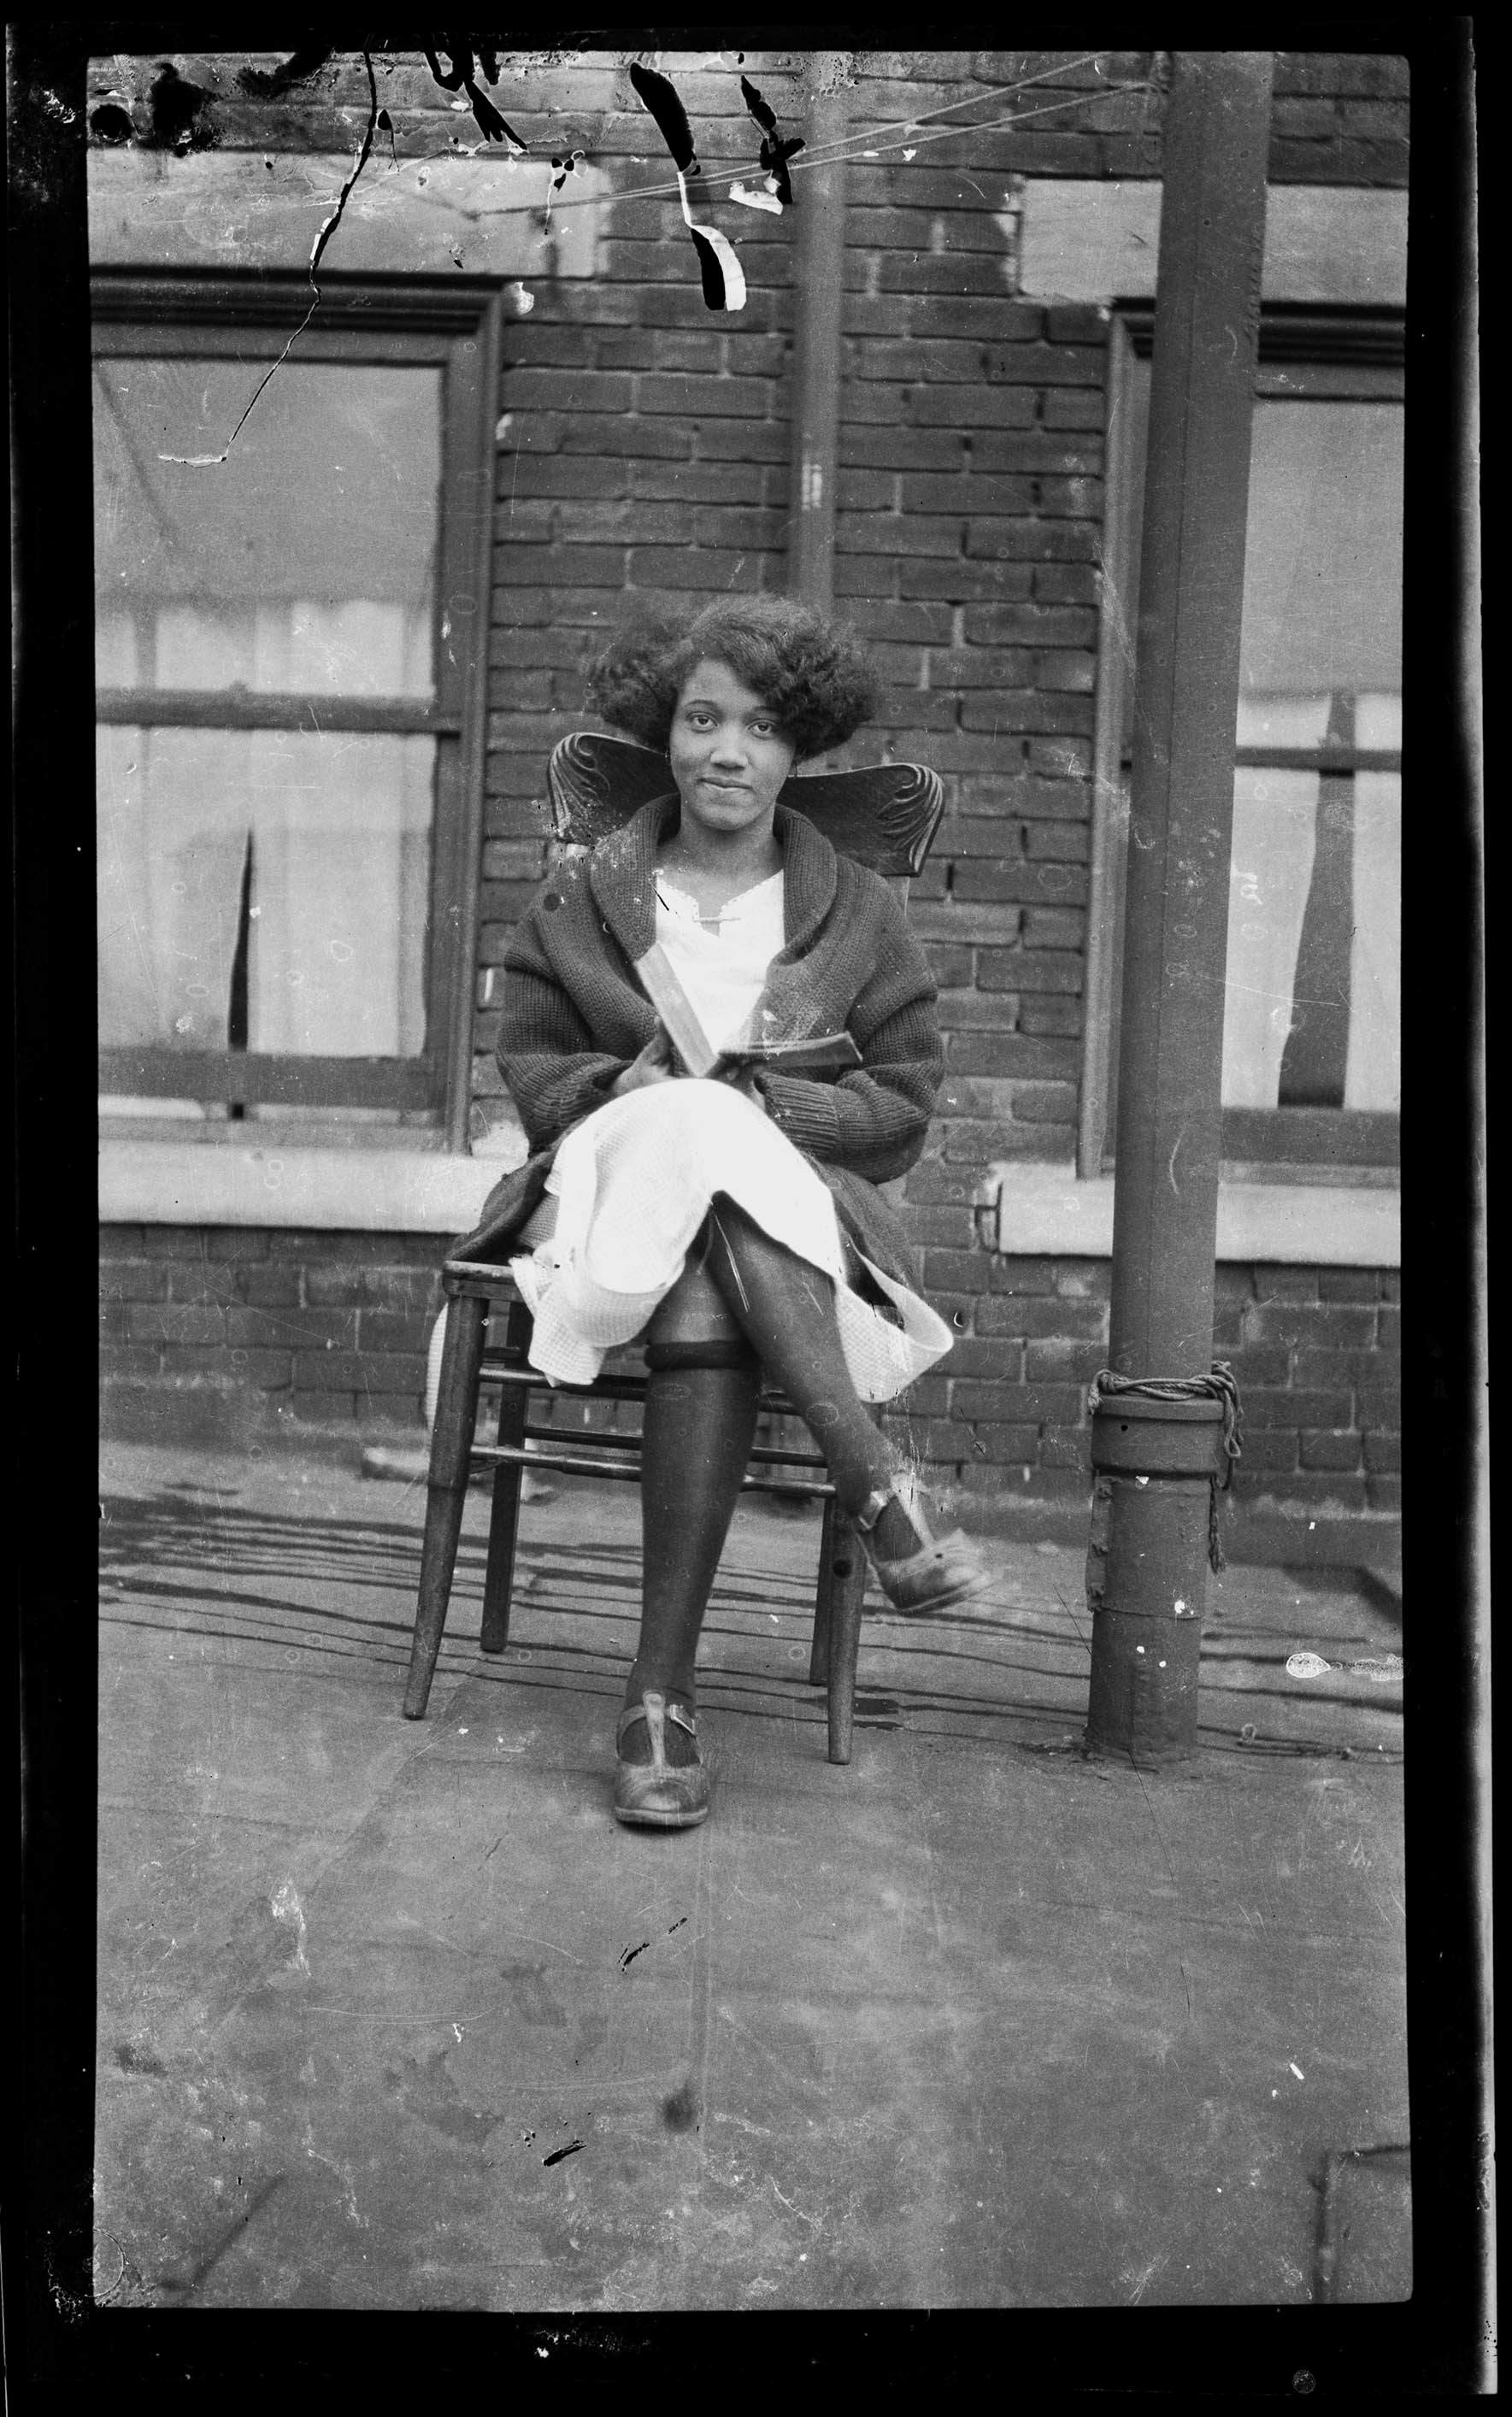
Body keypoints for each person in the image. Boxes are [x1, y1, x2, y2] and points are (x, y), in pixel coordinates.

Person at [456, 594, 985, 1830]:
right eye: (700, 720)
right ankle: (876, 1483)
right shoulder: (589, 891)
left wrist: (776, 1116)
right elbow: (533, 1073)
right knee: (689, 1121)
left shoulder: (856, 907)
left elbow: (899, 1106)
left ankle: (656, 1703)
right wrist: (620, 1087)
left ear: (799, 748)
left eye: (756, 727)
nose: (724, 753)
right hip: (597, 1198)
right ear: (665, 732)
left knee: (717, 1207)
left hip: (768, 1232)